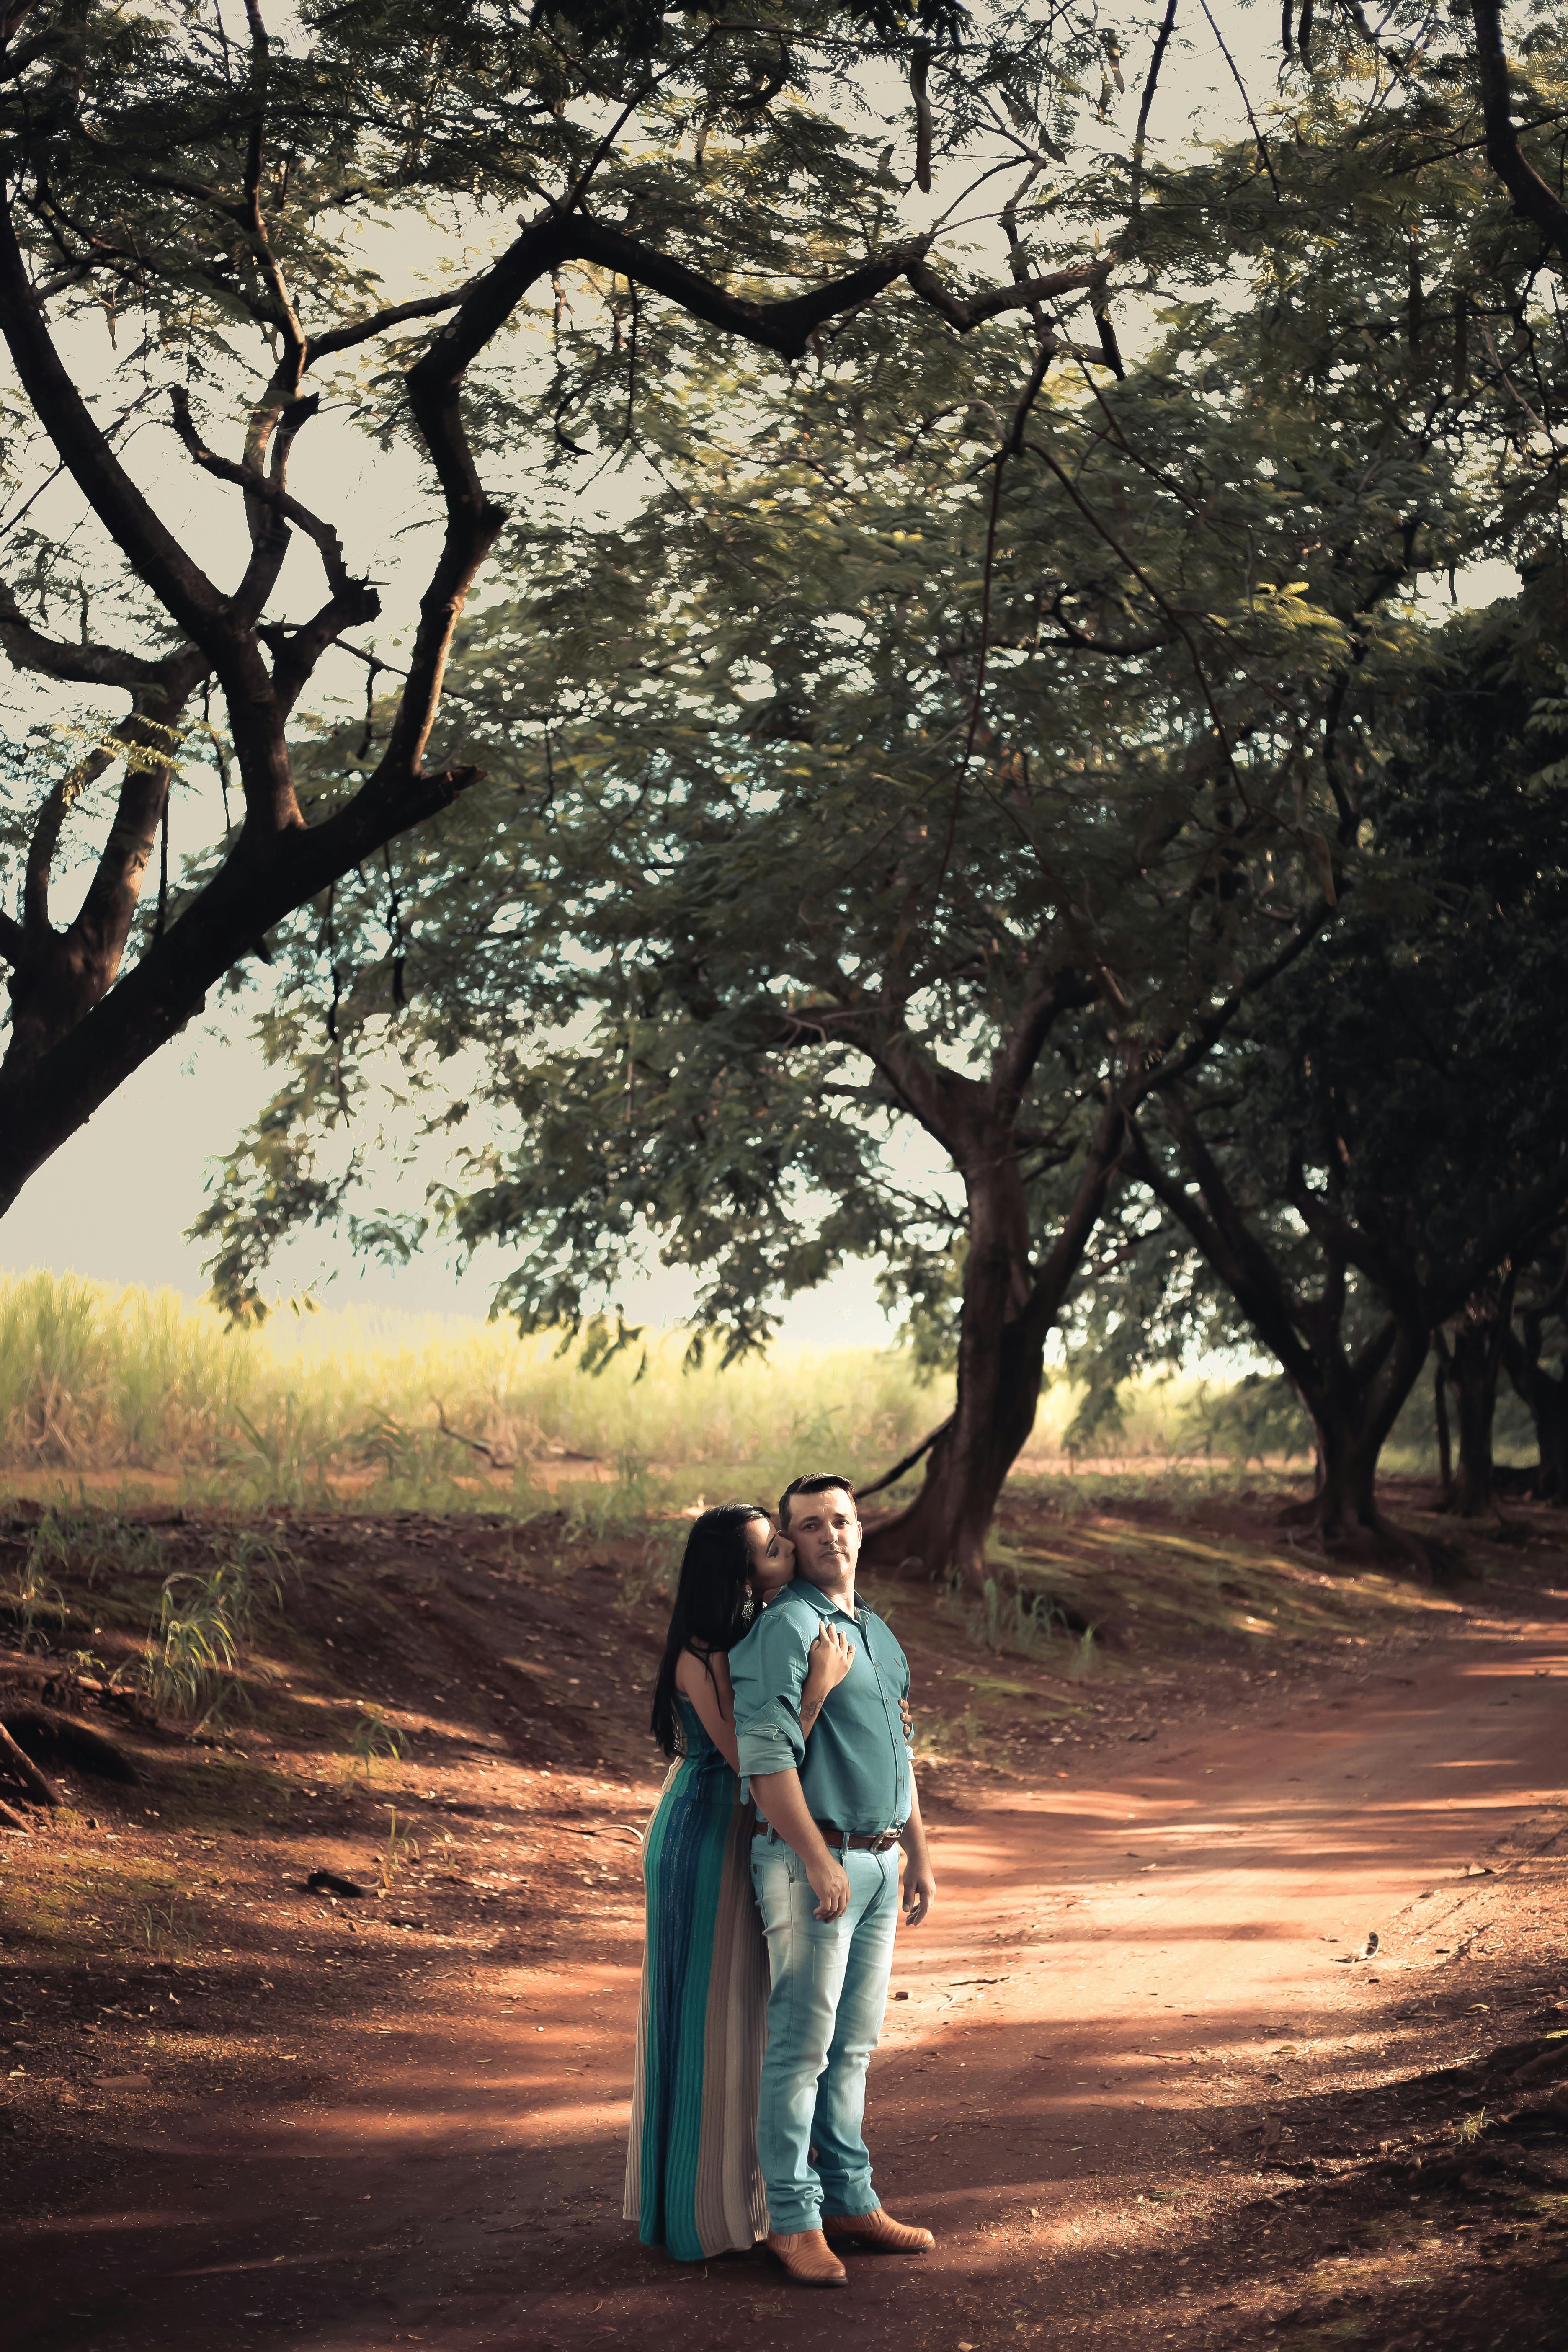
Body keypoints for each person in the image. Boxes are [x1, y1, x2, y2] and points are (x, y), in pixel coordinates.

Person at [624, 1502, 856, 2263]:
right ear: (741, 1573)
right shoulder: (705, 1655)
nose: (791, 1552)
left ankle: (753, 2203)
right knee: (706, 2021)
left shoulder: (748, 1637)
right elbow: (755, 1760)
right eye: (773, 1550)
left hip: (740, 1829)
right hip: (705, 1834)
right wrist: (820, 1686)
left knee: (748, 2021)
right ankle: (702, 2214)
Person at [729, 1471, 938, 2289]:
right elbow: (765, 1761)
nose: (830, 1535)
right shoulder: (786, 1630)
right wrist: (817, 1858)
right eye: (809, 1525)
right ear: (792, 1541)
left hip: (880, 1861)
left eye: (841, 1520)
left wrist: (918, 1852)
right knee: (802, 2050)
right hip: (812, 1867)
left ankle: (851, 2198)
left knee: (854, 2047)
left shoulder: (877, 1633)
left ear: (861, 1529)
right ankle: (793, 2218)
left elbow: (901, 1749)